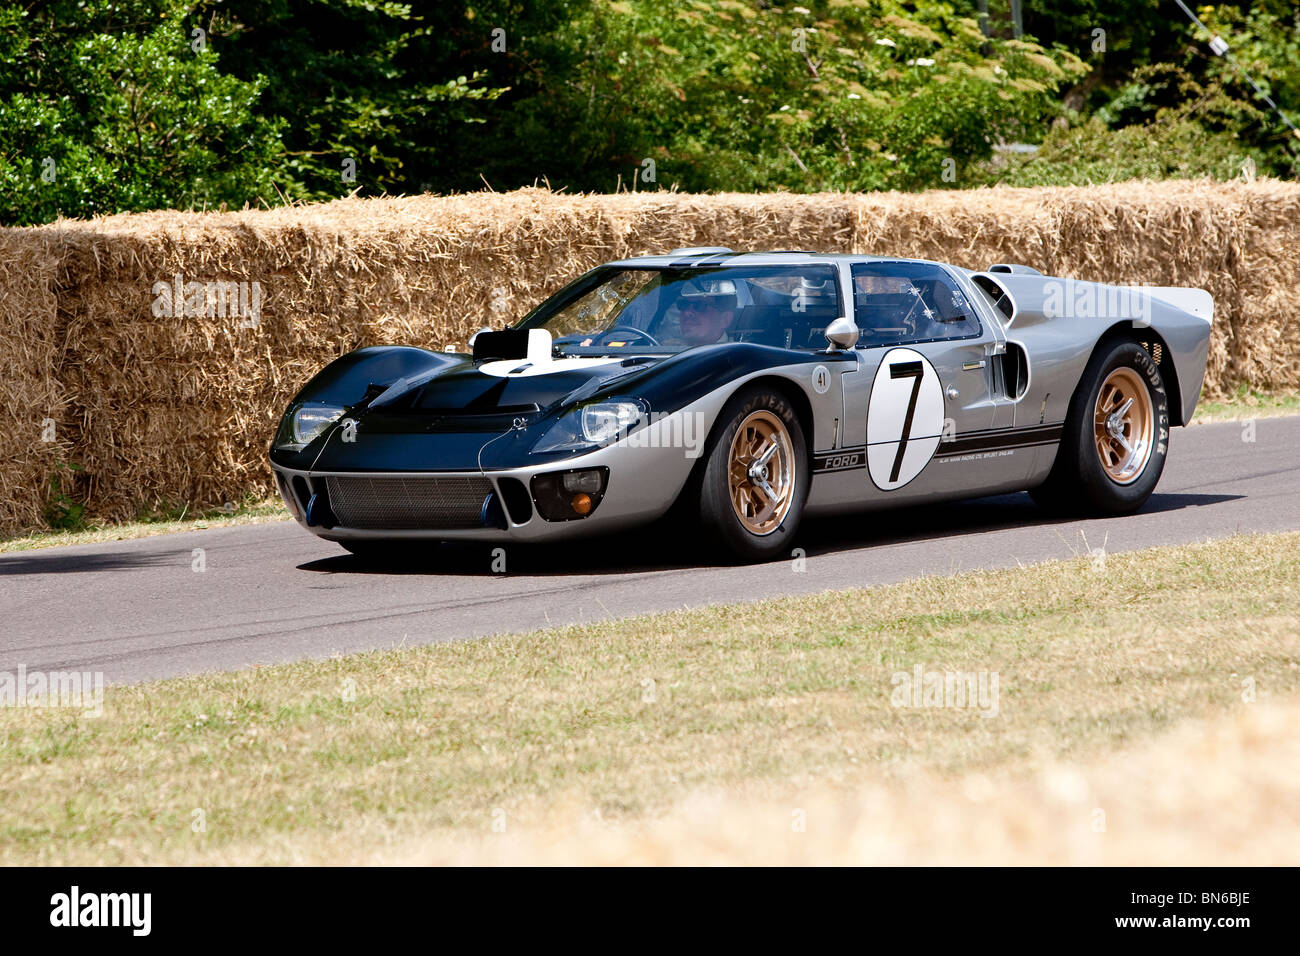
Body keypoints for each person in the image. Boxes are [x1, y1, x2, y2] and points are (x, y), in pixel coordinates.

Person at [669, 278, 738, 346]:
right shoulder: (665, 349)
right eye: (683, 304)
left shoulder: (739, 355)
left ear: (725, 319)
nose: (687, 312)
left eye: (699, 305)